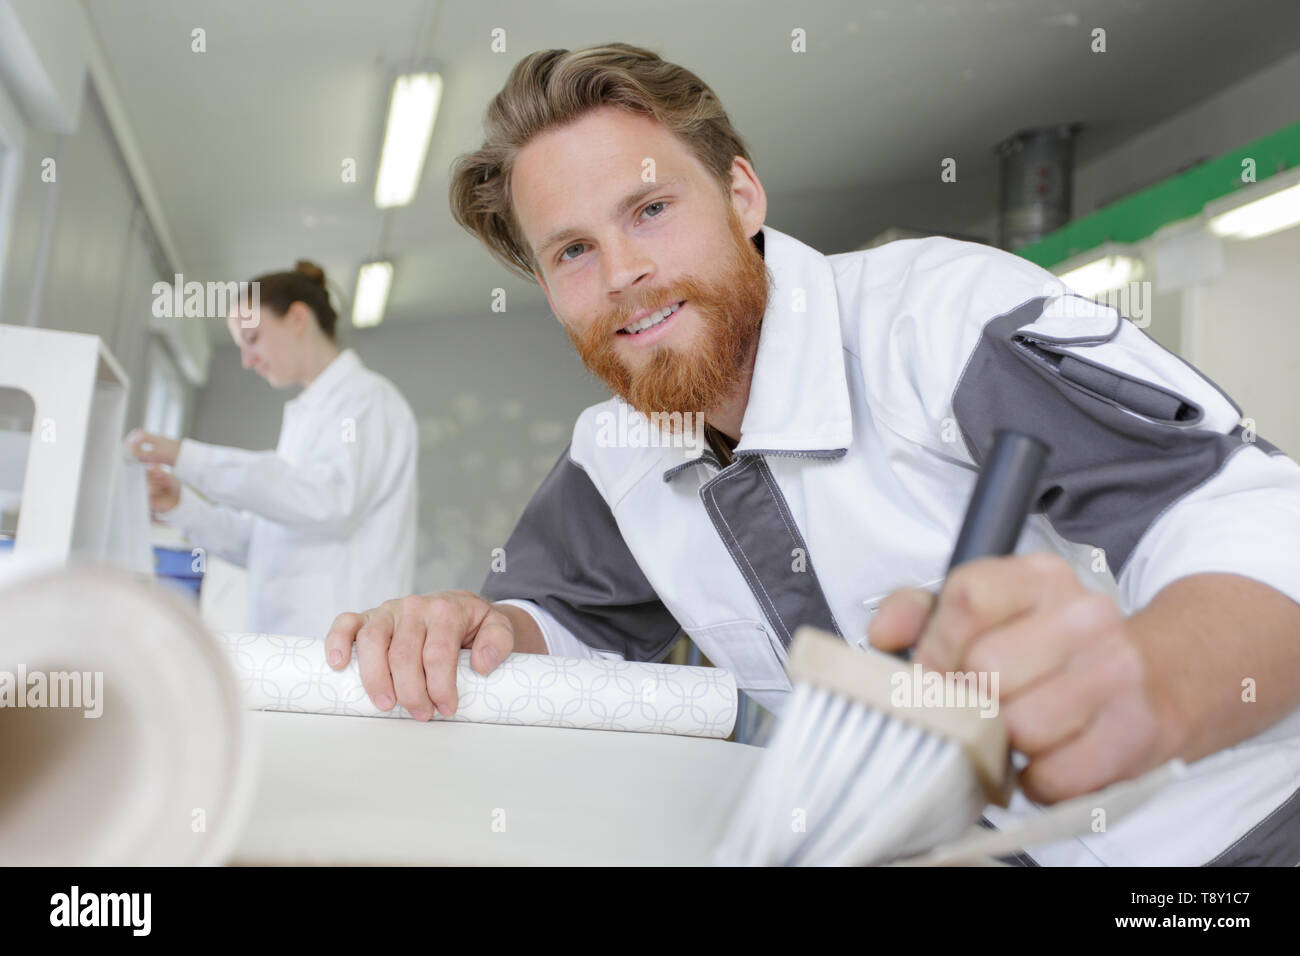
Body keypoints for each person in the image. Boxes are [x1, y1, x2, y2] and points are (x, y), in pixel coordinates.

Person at [323, 44, 1300, 865]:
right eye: (571, 251)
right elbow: (565, 615)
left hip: (1244, 828)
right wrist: (475, 624)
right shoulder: (612, 453)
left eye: (650, 210)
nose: (622, 273)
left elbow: (1244, 520)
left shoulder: (944, 320)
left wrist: (1153, 684)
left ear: (741, 191)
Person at [127, 260, 419, 641]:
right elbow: (262, 545)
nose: (248, 361)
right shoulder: (306, 416)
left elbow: (330, 503)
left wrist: (188, 456)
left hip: (341, 654)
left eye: (252, 338)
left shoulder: (368, 401)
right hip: (292, 650)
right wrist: (179, 504)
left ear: (298, 318)